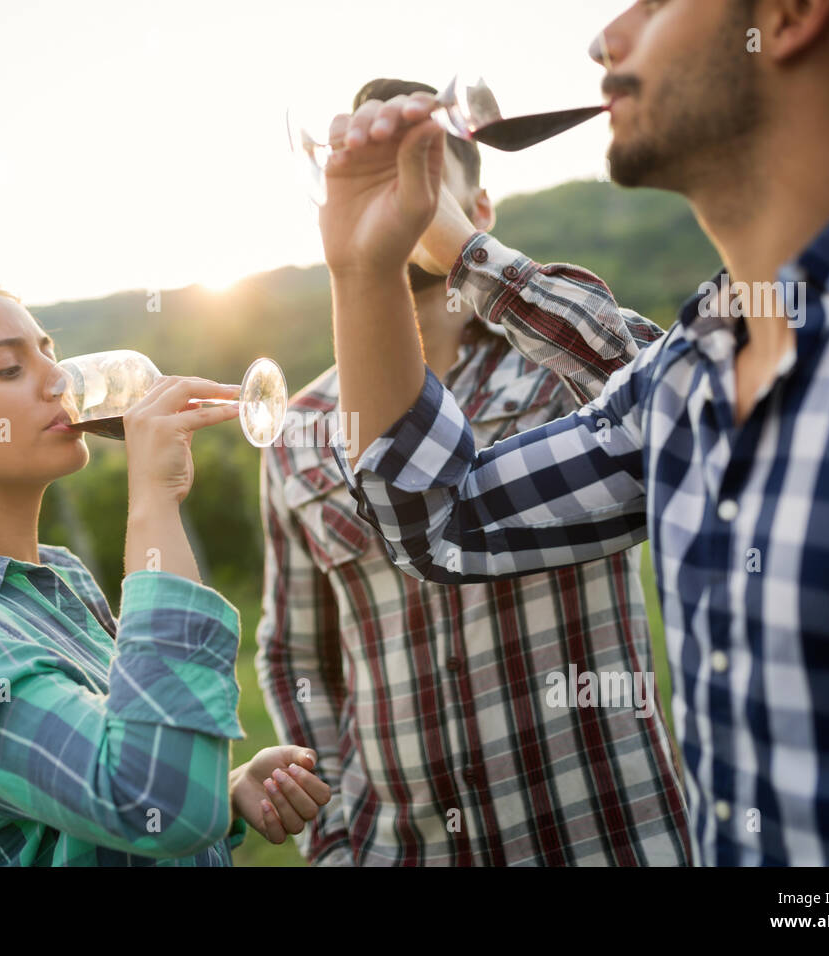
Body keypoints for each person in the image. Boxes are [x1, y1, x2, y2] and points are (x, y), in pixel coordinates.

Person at [318, 0, 829, 865]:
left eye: (651, 5)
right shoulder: (686, 379)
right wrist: (363, 269)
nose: (602, 40)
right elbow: (438, 519)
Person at [256, 77, 690, 865]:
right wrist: (332, 829)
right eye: (379, 181)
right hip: (398, 847)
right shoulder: (298, 430)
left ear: (479, 212)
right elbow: (294, 653)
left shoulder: (557, 365)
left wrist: (460, 252)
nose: (400, 198)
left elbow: (682, 403)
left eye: (419, 178)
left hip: (605, 831)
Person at [0, 266, 330, 865]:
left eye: (49, 354)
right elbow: (152, 797)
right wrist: (153, 501)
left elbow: (115, 785)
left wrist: (224, 795)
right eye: (8, 368)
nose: (58, 380)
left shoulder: (60, 578)